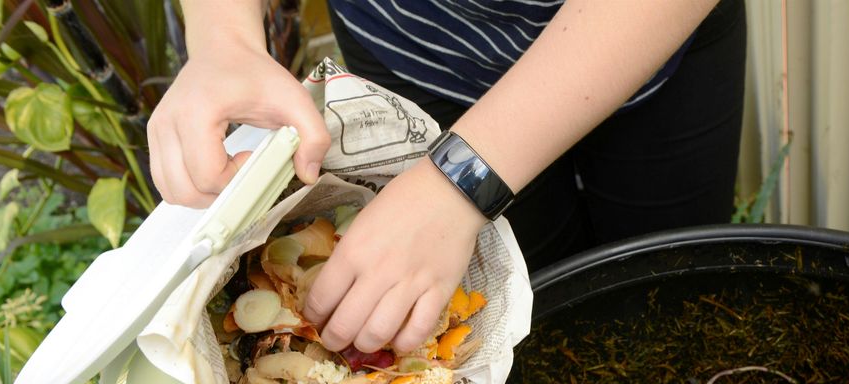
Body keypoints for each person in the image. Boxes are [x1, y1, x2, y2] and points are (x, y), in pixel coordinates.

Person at [148, 0, 746, 356]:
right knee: (533, 320)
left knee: (674, 300)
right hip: (419, 48)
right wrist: (221, 37)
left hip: (642, 39)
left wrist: (460, 183)